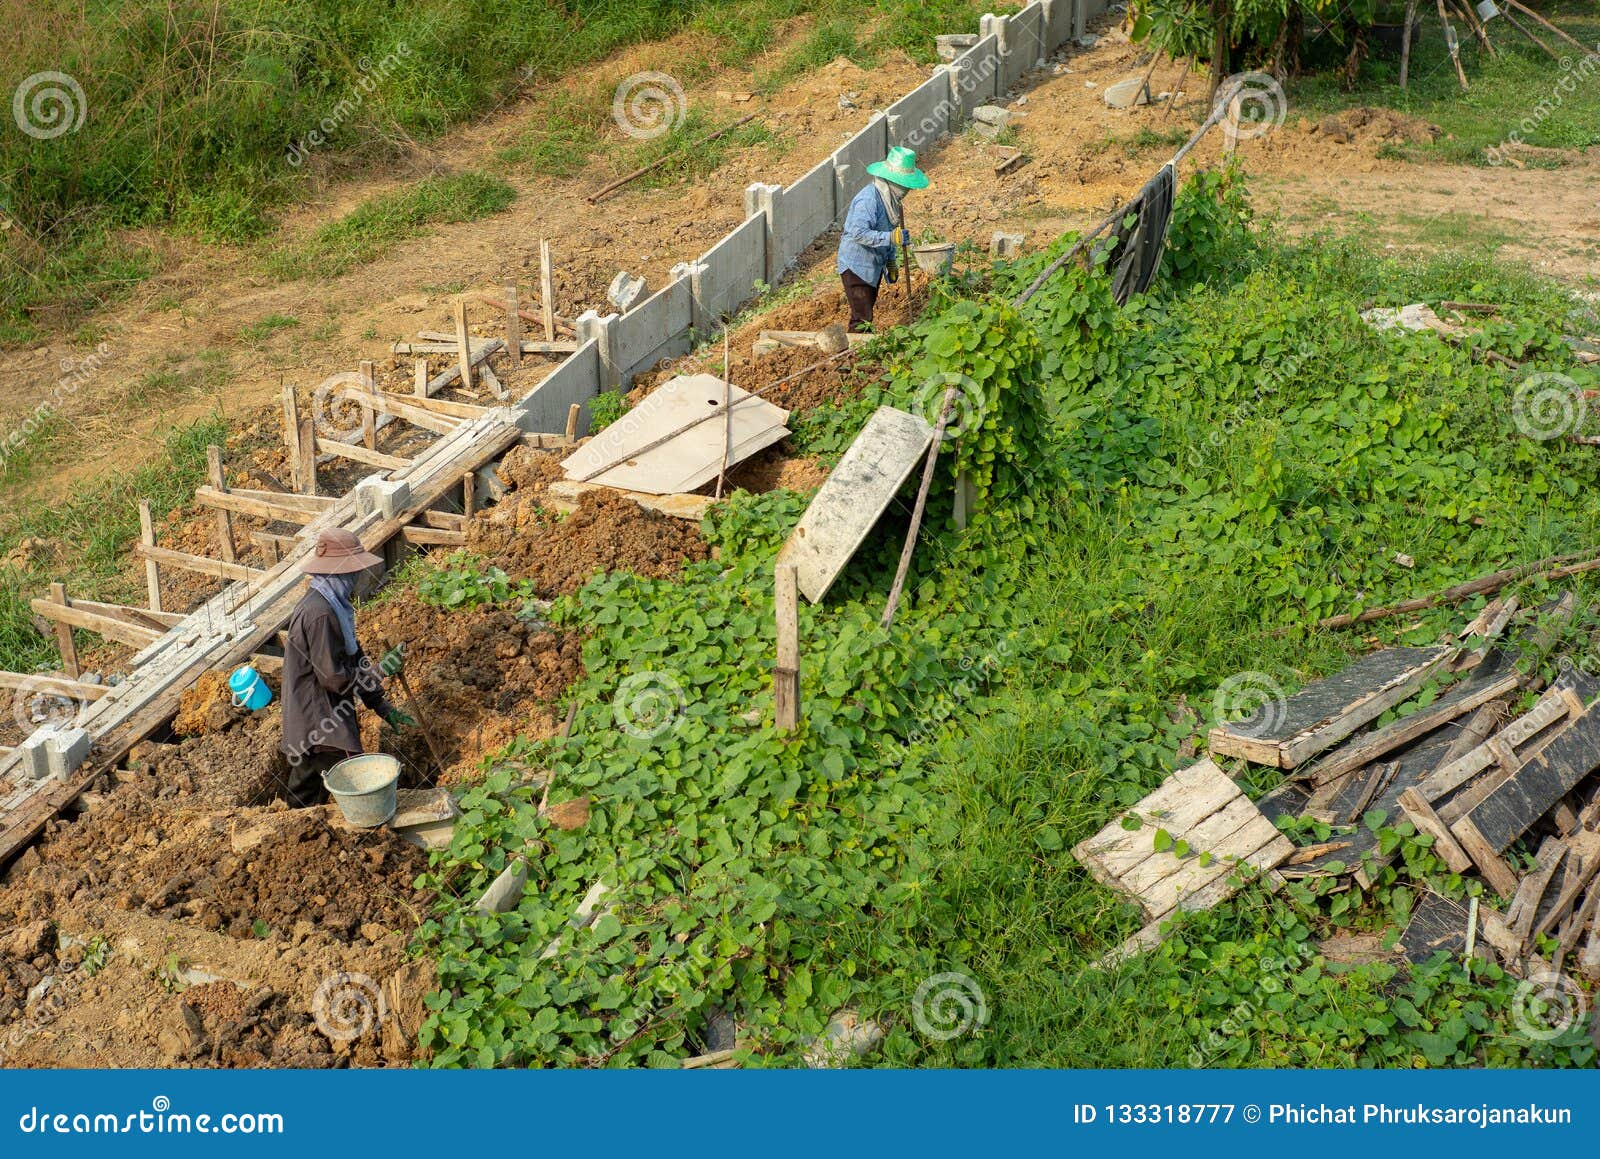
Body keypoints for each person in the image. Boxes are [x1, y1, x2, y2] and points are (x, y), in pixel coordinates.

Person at [279, 528, 413, 807]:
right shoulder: (320, 614)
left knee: (304, 797)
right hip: (321, 726)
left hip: (322, 723)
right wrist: (381, 670)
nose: (355, 579)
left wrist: (381, 705)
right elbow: (335, 678)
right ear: (336, 573)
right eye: (350, 573)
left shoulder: (334, 606)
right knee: (357, 796)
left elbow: (354, 660)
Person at [836, 145, 930, 333]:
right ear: (891, 181)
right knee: (862, 318)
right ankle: (855, 355)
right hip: (856, 266)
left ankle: (860, 348)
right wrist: (891, 237)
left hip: (873, 266)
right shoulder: (869, 199)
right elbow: (858, 232)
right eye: (903, 185)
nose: (906, 190)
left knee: (866, 313)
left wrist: (891, 261)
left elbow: (888, 236)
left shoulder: (892, 202)